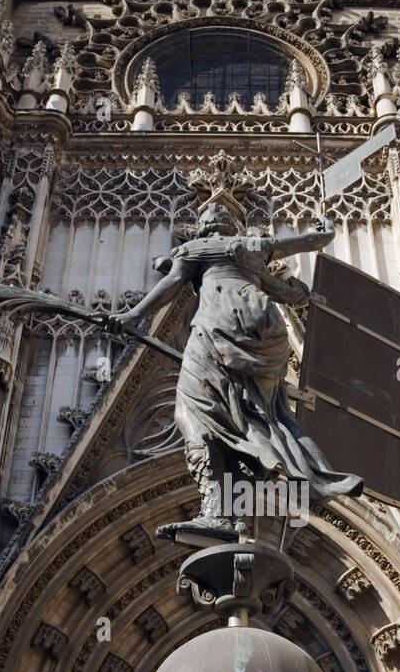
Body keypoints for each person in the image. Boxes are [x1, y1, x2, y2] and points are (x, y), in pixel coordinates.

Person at [105, 201, 364, 538]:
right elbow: (305, 258)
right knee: (259, 417)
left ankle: (215, 511)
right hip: (266, 337)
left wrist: (130, 317)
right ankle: (237, 511)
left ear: (203, 228)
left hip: (219, 327)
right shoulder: (252, 247)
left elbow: (171, 284)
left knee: (191, 412)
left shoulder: (197, 248)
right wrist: (325, 229)